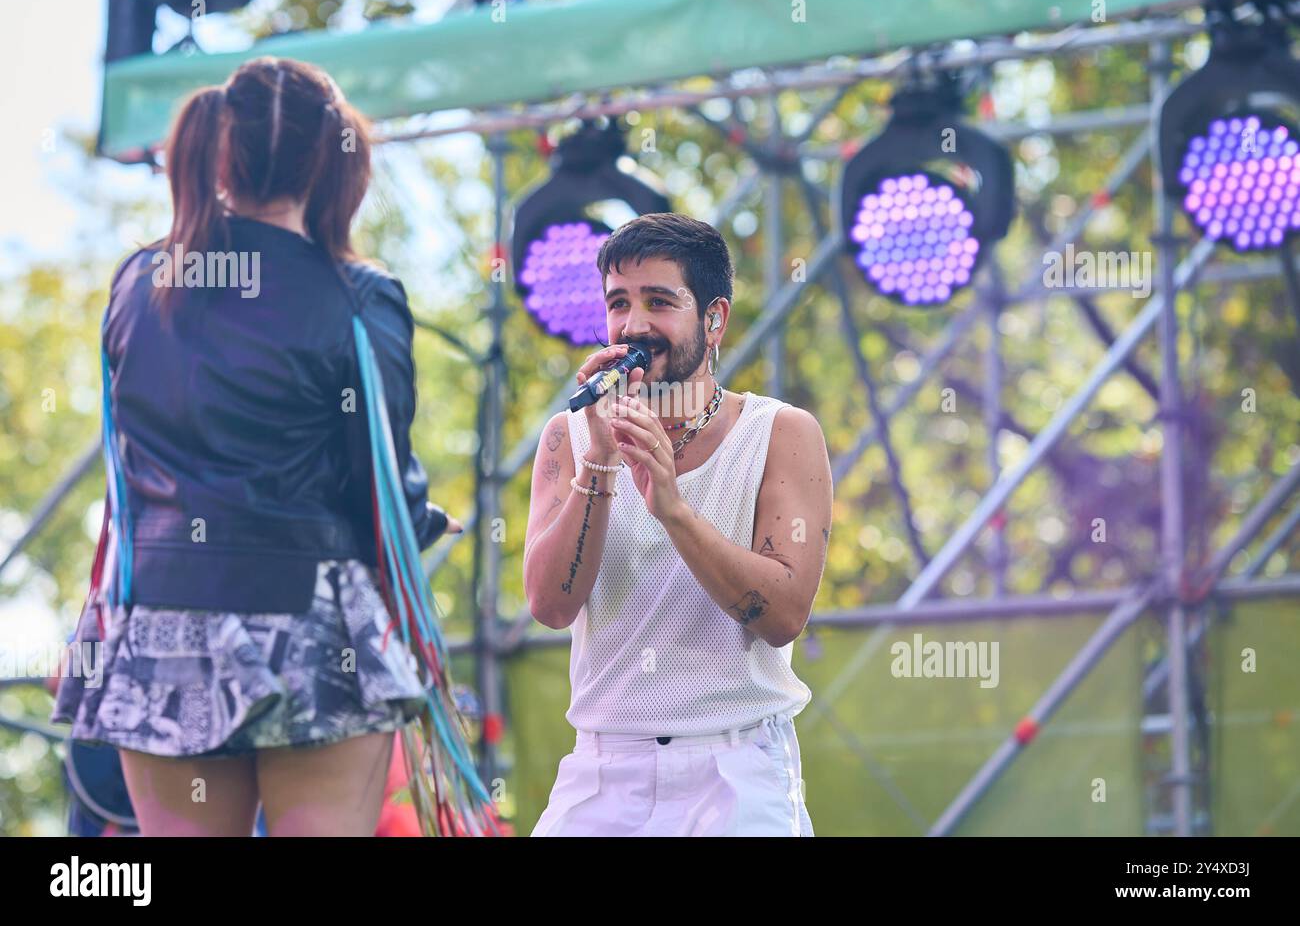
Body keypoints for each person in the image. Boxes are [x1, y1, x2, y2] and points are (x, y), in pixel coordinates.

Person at [51, 56, 462, 836]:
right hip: (310, 619)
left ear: (218, 149)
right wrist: (425, 519)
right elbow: (379, 490)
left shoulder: (138, 285)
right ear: (329, 160)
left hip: (160, 620)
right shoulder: (359, 297)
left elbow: (131, 479)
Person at [523, 212, 832, 836]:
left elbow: (782, 616)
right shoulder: (569, 437)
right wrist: (601, 465)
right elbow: (551, 605)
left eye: (659, 302)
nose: (634, 325)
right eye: (619, 303)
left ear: (714, 319)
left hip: (735, 764)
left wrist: (673, 508)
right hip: (603, 765)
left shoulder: (780, 432)